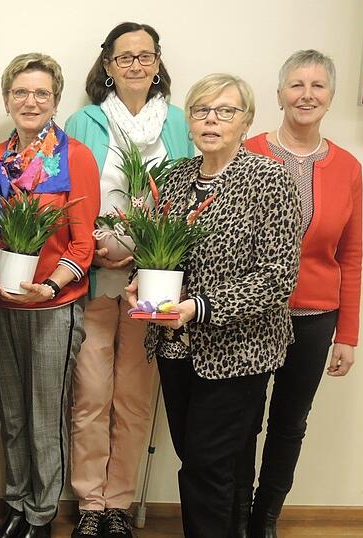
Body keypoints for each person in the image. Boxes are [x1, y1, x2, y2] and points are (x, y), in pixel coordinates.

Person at [125, 73, 302, 537]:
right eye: (201, 110)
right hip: (176, 345)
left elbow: (277, 276)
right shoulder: (173, 178)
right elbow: (151, 249)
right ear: (189, 121)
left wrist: (199, 307)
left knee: (204, 463)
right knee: (203, 458)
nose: (211, 120)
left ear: (247, 122)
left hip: (239, 350)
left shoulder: (269, 180)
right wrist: (137, 283)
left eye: (226, 111)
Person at [63, 22, 192, 538]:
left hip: (154, 284)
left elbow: (188, 197)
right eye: (125, 56)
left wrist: (148, 256)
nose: (136, 64)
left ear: (157, 63)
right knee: (91, 394)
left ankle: (120, 503)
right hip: (95, 278)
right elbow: (68, 193)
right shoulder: (85, 120)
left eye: (146, 55)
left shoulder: (180, 123)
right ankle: (90, 504)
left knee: (136, 398)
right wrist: (96, 249)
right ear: (108, 66)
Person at [241, 50, 363, 537]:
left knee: (289, 423)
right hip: (249, 313)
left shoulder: (348, 167)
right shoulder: (246, 151)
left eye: (317, 86)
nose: (306, 94)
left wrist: (347, 334)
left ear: (330, 98)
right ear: (278, 95)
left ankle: (264, 515)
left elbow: (350, 256)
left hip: (315, 317)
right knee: (243, 419)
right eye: (296, 85)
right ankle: (231, 509)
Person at [0, 53, 100, 538]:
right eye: (21, 92)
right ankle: (16, 507)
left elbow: (84, 241)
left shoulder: (75, 157)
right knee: (11, 414)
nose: (30, 101)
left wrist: (51, 285)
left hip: (53, 304)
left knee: (45, 415)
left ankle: (42, 515)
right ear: (7, 98)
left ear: (55, 100)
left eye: (42, 93)